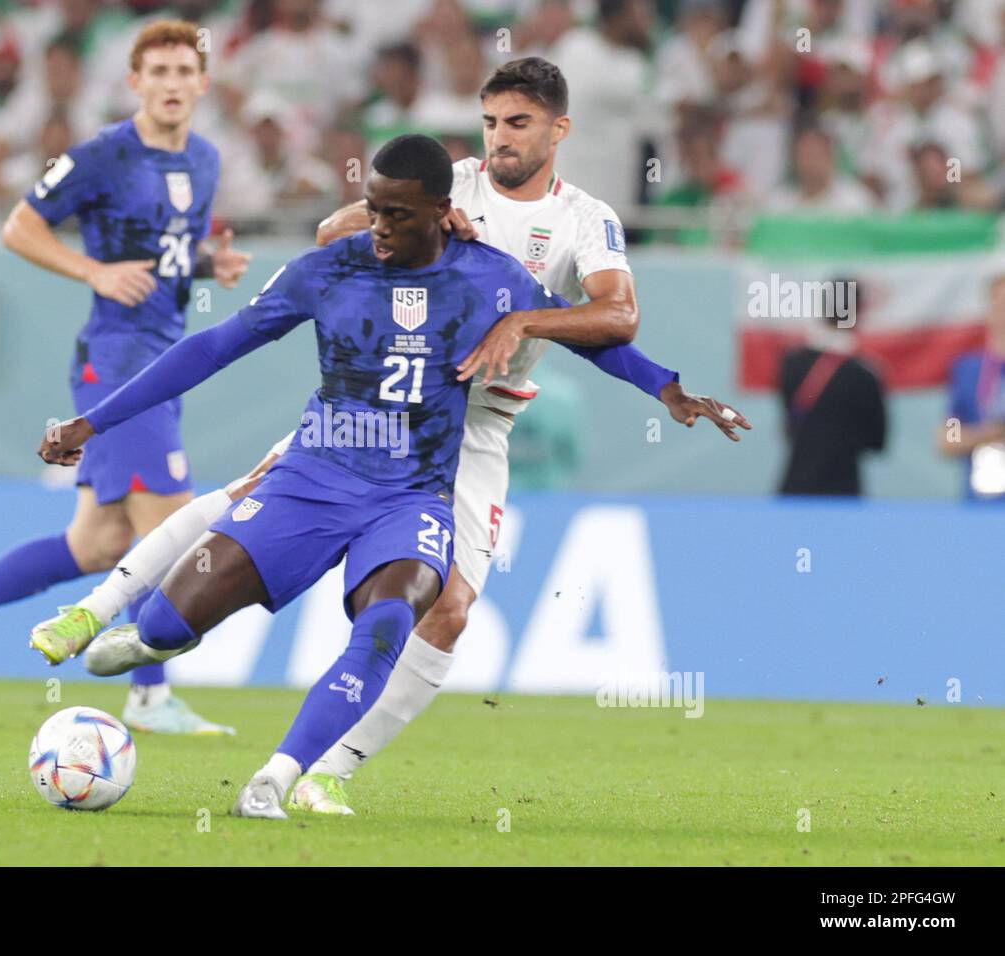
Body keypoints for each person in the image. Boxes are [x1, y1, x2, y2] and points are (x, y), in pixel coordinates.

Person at [39, 133, 743, 820]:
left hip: (412, 496)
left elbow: (588, 337)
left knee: (387, 623)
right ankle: (148, 628)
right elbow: (215, 346)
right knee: (167, 622)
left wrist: (668, 389)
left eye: (396, 214)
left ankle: (277, 780)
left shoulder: (492, 278)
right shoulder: (329, 269)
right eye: (372, 209)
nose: (377, 227)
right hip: (314, 476)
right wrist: (94, 422)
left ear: (443, 211)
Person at [0, 21, 250, 739]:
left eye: (186, 70)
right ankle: (149, 697)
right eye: (159, 72)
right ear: (135, 83)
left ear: (203, 82)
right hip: (118, 361)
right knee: (173, 529)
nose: (173, 84)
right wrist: (92, 271)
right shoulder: (102, 156)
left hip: (163, 354)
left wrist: (211, 265)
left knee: (97, 544)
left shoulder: (206, 159)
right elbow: (19, 226)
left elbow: (167, 255)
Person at [778, 279, 886, 496]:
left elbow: (788, 423)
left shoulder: (791, 363)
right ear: (858, 312)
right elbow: (877, 441)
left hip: (796, 484)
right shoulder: (865, 374)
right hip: (844, 488)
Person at [941, 274, 1005, 500]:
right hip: (981, 504)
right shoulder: (968, 370)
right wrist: (983, 435)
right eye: (1000, 306)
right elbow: (950, 436)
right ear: (989, 312)